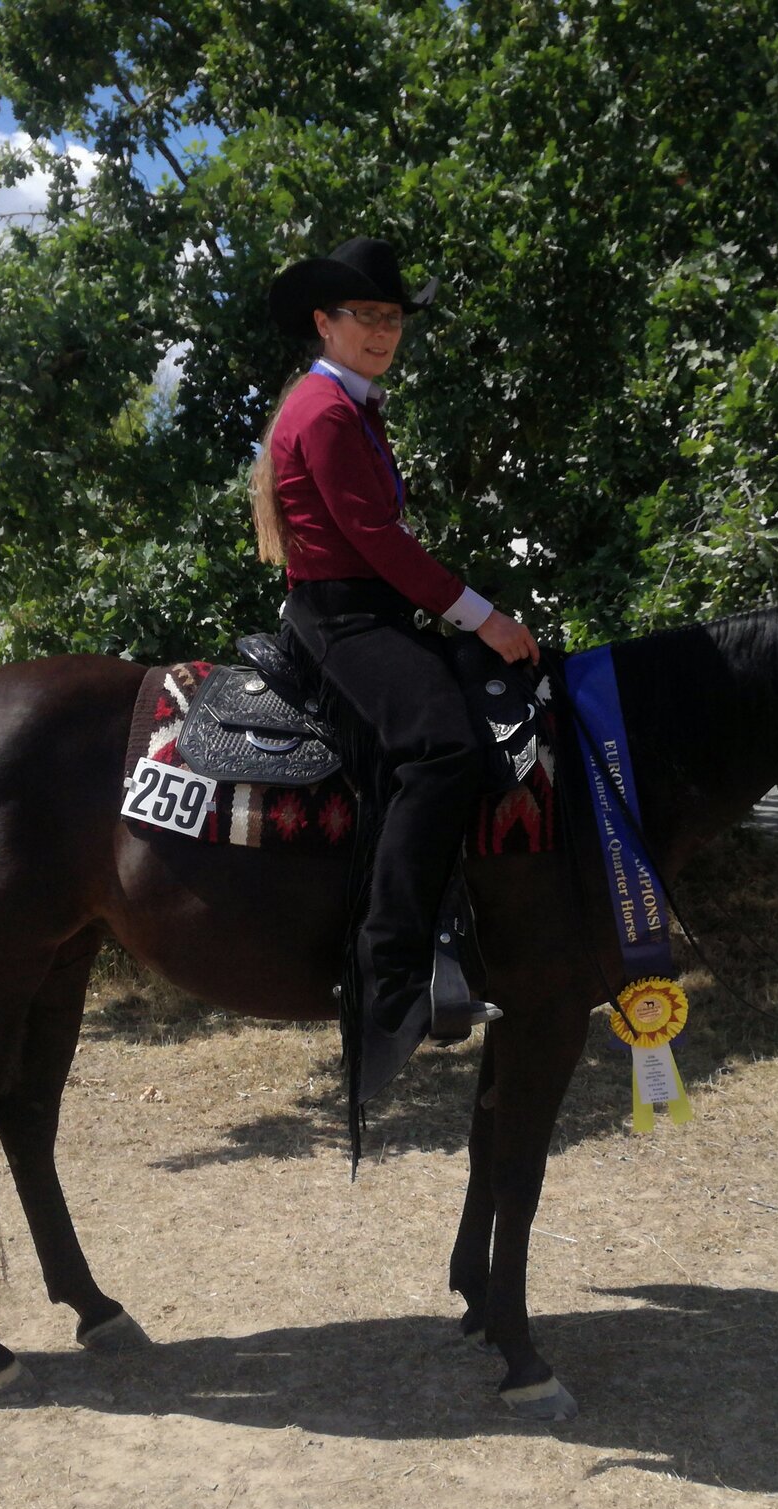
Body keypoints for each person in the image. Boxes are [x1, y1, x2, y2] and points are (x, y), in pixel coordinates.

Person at [253, 237, 541, 1101]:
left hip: (366, 609)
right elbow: (375, 539)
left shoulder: (351, 405)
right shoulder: (327, 412)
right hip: (345, 616)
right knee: (444, 751)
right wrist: (484, 617)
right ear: (324, 322)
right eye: (364, 316)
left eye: (391, 317)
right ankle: (390, 971)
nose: (382, 331)